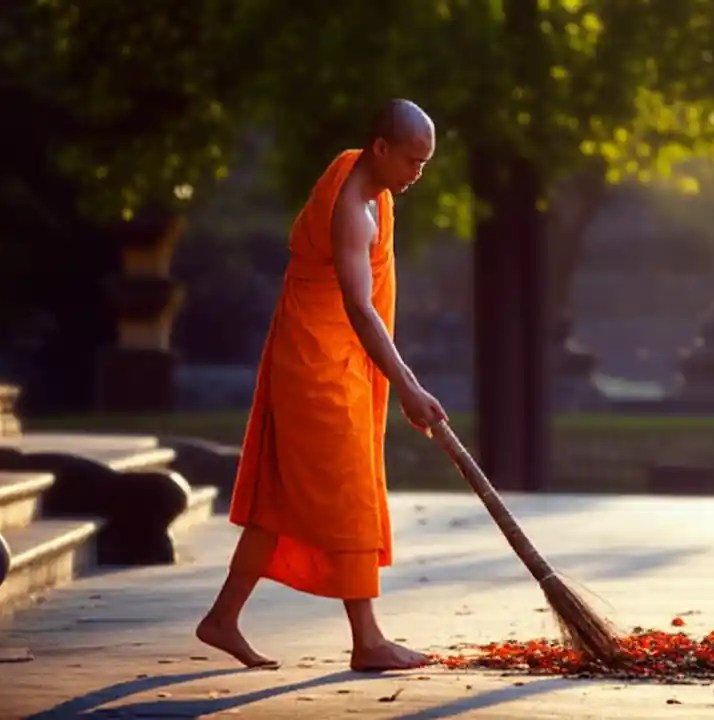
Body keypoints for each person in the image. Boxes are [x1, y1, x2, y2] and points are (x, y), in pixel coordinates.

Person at [196, 99, 448, 672]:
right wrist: (407, 384)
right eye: (412, 160)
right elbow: (360, 309)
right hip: (319, 367)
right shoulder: (353, 210)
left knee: (281, 498)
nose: (418, 173)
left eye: (425, 162)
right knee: (350, 491)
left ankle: (221, 619)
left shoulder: (366, 181)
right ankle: (368, 641)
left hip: (326, 357)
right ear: (380, 149)